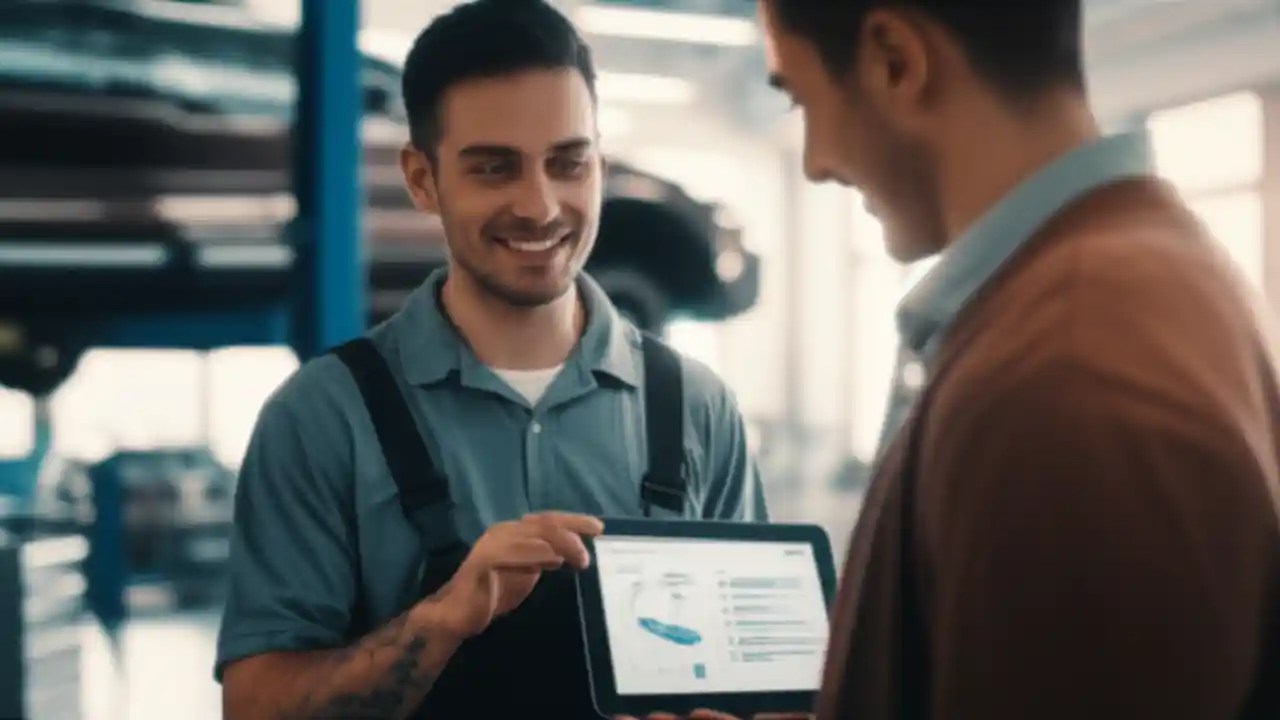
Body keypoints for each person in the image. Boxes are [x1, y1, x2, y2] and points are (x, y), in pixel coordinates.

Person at [626, 1, 1280, 719]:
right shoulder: (1138, 278)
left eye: (802, 99)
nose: (816, 163)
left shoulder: (1068, 375)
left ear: (894, 60)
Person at [215, 1, 768, 718]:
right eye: (494, 169)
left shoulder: (697, 408)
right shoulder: (322, 417)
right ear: (422, 179)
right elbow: (255, 707)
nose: (540, 206)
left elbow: (755, 683)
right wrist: (442, 620)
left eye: (568, 163)